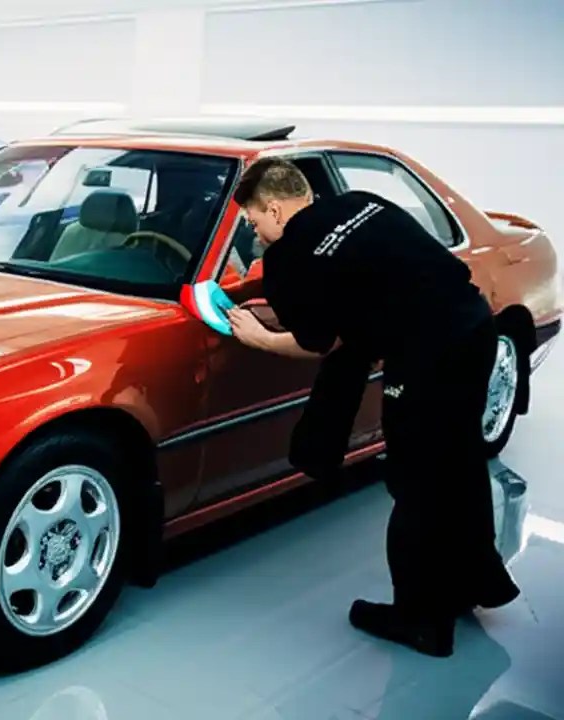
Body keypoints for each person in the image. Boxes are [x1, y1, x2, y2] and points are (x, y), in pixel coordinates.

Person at [225, 157, 520, 657]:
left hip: (427, 357)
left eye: (253, 222)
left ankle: (421, 621)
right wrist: (283, 310)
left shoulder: (291, 257)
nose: (255, 232)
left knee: (416, 482)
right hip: (474, 331)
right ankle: (476, 585)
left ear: (274, 209)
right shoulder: (361, 203)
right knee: (460, 465)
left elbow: (320, 342)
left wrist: (259, 337)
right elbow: (362, 285)